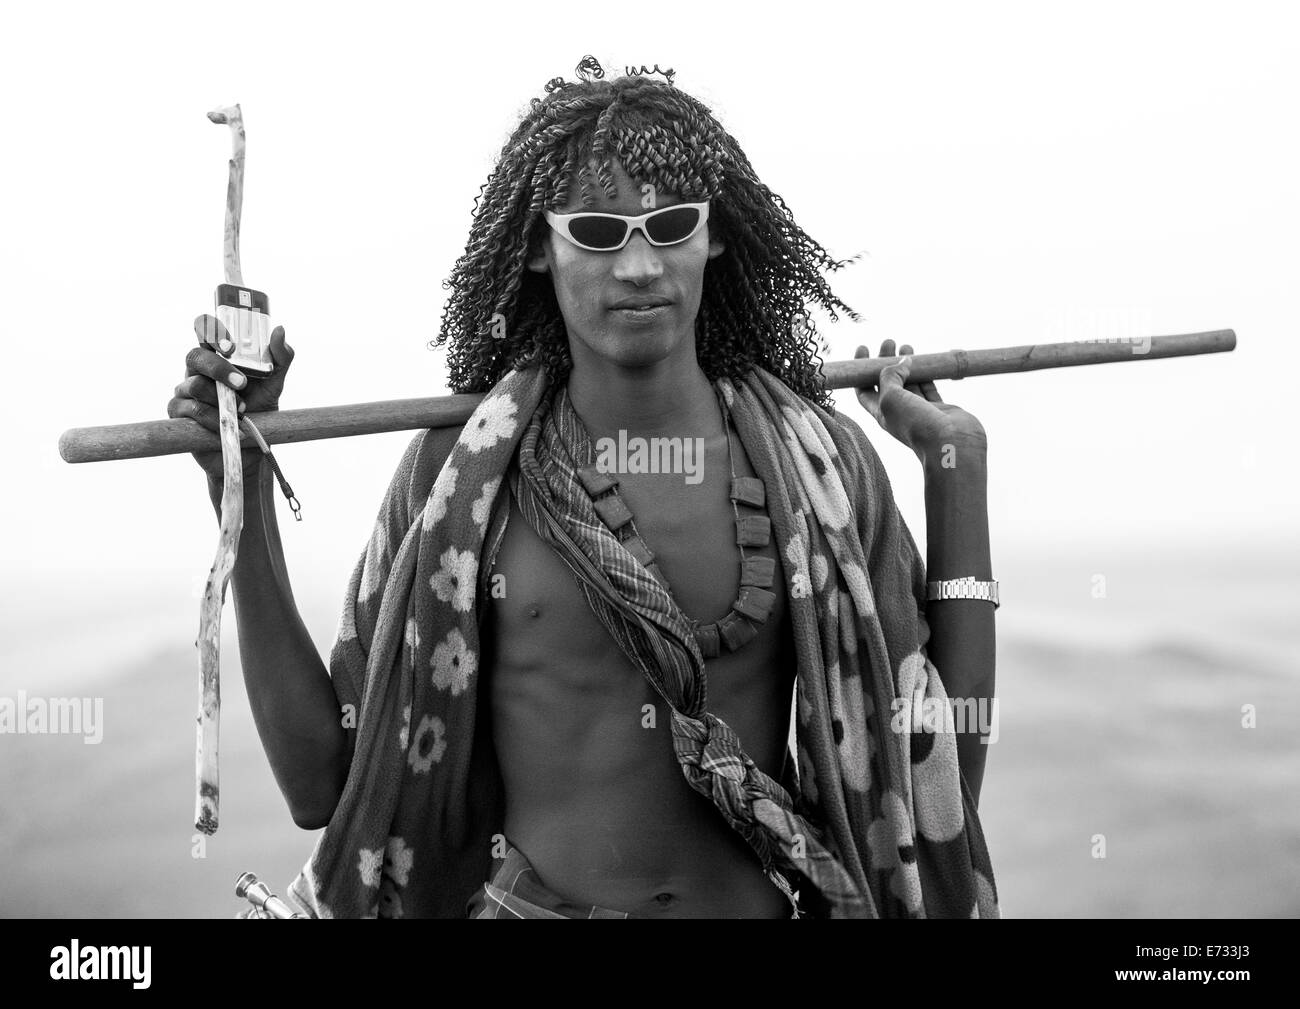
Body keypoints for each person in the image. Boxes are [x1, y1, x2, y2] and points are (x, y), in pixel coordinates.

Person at [167, 67, 998, 919]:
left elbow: (935, 786)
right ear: (539, 245)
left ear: (714, 235)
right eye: (598, 231)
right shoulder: (466, 474)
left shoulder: (817, 469)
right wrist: (243, 485)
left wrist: (956, 466)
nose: (638, 266)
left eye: (671, 225)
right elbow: (322, 784)